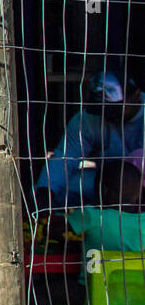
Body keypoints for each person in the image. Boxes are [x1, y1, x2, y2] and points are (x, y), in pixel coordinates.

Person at [34, 71, 144, 212]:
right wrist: (45, 190)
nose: (107, 115)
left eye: (113, 109)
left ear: (136, 95)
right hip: (104, 182)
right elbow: (66, 157)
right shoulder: (87, 118)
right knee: (52, 189)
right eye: (102, 109)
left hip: (139, 186)